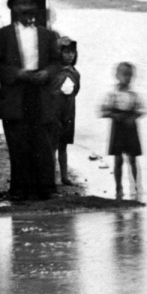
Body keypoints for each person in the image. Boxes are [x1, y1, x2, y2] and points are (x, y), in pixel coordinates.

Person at [0, 0, 61, 203]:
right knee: (18, 142)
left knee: (42, 141)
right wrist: (16, 73)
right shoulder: (3, 35)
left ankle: (45, 188)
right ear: (13, 9)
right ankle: (20, 189)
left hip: (40, 93)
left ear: (36, 9)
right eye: (20, 4)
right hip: (16, 93)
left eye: (30, 4)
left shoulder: (48, 35)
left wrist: (47, 73)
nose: (25, 9)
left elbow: (57, 62)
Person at [99, 61, 145, 202]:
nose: (127, 78)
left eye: (130, 75)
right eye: (124, 74)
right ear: (117, 75)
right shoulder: (113, 94)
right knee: (118, 159)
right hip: (118, 127)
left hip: (130, 128)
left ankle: (136, 187)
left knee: (133, 159)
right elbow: (102, 111)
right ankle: (118, 188)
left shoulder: (134, 95)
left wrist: (134, 117)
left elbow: (142, 109)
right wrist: (114, 115)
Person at [52, 37, 82, 186]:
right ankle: (50, 176)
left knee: (63, 146)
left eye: (72, 52)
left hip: (69, 112)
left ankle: (64, 176)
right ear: (60, 53)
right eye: (66, 52)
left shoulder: (75, 73)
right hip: (55, 112)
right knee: (52, 145)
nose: (70, 55)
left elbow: (75, 91)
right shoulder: (54, 71)